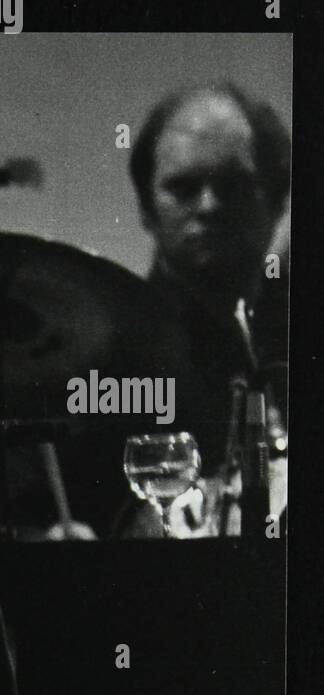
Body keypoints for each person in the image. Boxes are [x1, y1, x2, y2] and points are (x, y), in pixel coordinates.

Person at [122, 83, 290, 536]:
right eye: (184, 187)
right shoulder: (101, 350)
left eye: (233, 185)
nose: (209, 205)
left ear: (278, 201)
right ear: (145, 208)